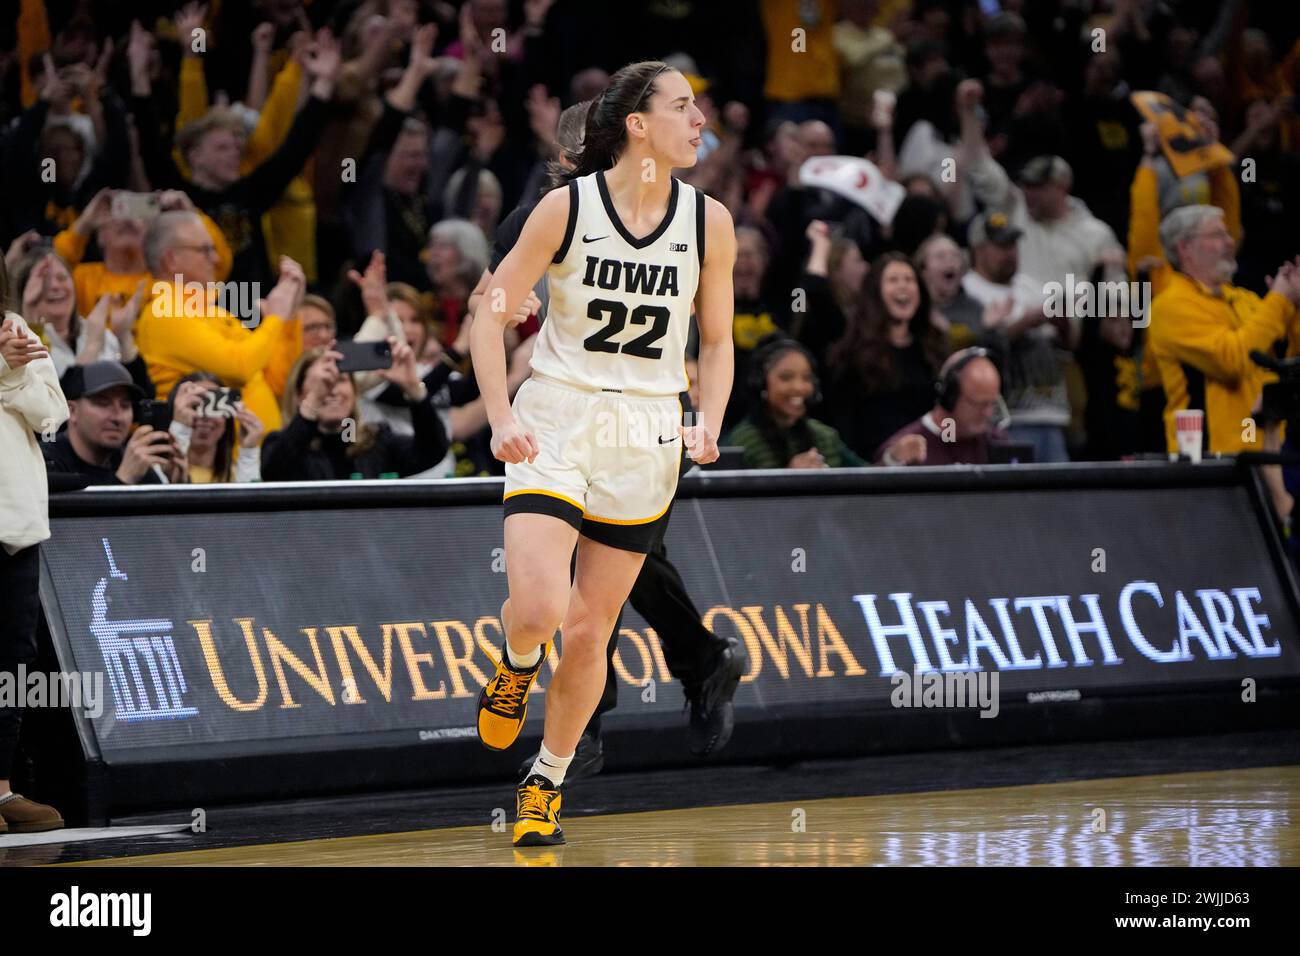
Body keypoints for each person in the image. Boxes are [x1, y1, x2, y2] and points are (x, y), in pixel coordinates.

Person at [469, 61, 735, 847]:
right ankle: (517, 663)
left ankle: (545, 785)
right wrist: (496, 417)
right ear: (636, 125)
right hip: (554, 415)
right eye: (684, 108)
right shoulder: (563, 208)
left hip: (648, 431)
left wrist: (709, 417)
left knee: (590, 632)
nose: (700, 123)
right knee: (544, 608)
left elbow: (716, 342)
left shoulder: (709, 221)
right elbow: (488, 320)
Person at [134, 212, 305, 439]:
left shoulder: (214, 313)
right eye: (205, 250)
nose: (216, 259)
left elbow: (280, 382)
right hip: (214, 465)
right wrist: (275, 318)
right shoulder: (164, 314)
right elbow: (239, 368)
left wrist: (289, 316)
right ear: (171, 260)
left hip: (260, 456)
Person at [0, 275, 69, 833]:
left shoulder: (15, 330)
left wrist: (13, 369)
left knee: (11, 656)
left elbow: (51, 417)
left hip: (15, 527)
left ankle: (0, 789)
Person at [1147, 207, 1300, 455]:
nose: (1230, 242)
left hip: (1271, 447)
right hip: (1214, 458)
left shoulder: (1243, 299)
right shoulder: (1171, 306)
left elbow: (1290, 363)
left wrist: (1295, 306)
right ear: (1185, 248)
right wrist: (1280, 301)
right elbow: (1232, 361)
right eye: (1217, 235)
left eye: (1228, 234)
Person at [260, 339, 450, 481]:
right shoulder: (281, 445)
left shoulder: (376, 442)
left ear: (353, 391)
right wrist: (314, 401)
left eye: (341, 380)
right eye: (324, 382)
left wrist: (414, 389)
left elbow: (431, 451)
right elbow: (273, 472)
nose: (332, 390)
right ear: (299, 395)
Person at [825, 251, 946, 462]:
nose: (903, 287)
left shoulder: (935, 349)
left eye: (909, 280)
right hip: (873, 473)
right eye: (893, 280)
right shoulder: (850, 355)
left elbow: (947, 420)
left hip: (930, 468)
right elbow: (844, 433)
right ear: (875, 292)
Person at [13, 249, 151, 391]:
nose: (55, 286)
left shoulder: (95, 330)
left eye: (62, 278)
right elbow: (58, 403)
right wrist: (92, 347)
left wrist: (123, 336)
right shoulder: (18, 342)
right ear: (24, 291)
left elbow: (143, 395)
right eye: (45, 281)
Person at [724, 334, 864, 469]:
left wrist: (886, 457)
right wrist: (788, 478)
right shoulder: (740, 443)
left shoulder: (825, 437)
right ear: (761, 383)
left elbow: (869, 476)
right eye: (786, 377)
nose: (799, 387)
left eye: (806, 378)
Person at [42, 360, 181, 485]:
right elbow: (63, 512)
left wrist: (178, 484)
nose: (117, 417)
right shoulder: (46, 461)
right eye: (103, 404)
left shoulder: (129, 458)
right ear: (72, 411)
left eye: (125, 405)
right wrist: (123, 479)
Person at [876, 348, 1011, 466]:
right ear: (949, 396)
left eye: (991, 403)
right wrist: (891, 462)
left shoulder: (996, 442)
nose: (987, 413)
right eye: (978, 404)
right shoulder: (906, 449)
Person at [168, 374, 265, 484]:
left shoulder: (240, 474)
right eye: (195, 406)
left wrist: (249, 453)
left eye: (215, 407)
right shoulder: (156, 469)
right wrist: (180, 430)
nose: (204, 416)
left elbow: (250, 500)